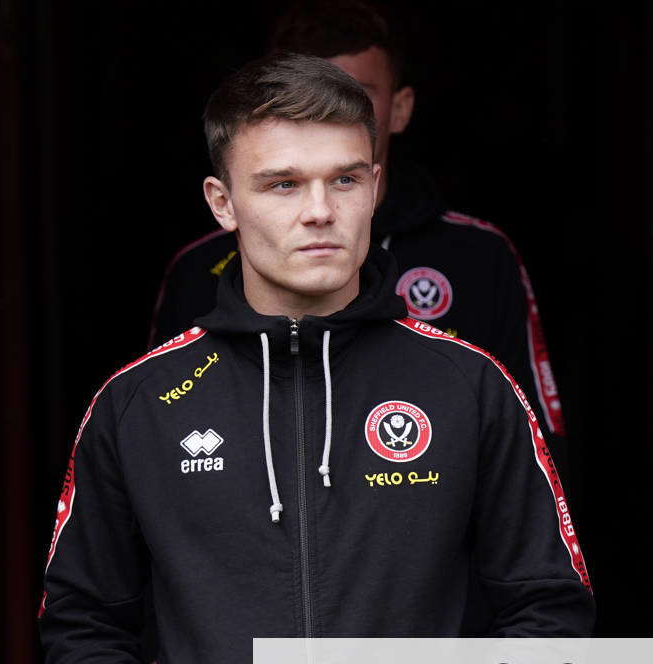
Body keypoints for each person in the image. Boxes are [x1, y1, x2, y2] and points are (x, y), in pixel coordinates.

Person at [39, 54, 594, 664]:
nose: (318, 210)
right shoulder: (141, 406)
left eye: (344, 178)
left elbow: (548, 606)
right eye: (281, 183)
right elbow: (79, 618)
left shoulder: (468, 390)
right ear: (222, 203)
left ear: (377, 183)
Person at [149, 1, 566, 462]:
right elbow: (158, 429)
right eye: (284, 185)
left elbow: (532, 450)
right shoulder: (194, 275)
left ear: (400, 107)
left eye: (353, 95)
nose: (320, 112)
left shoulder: (479, 257)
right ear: (220, 203)